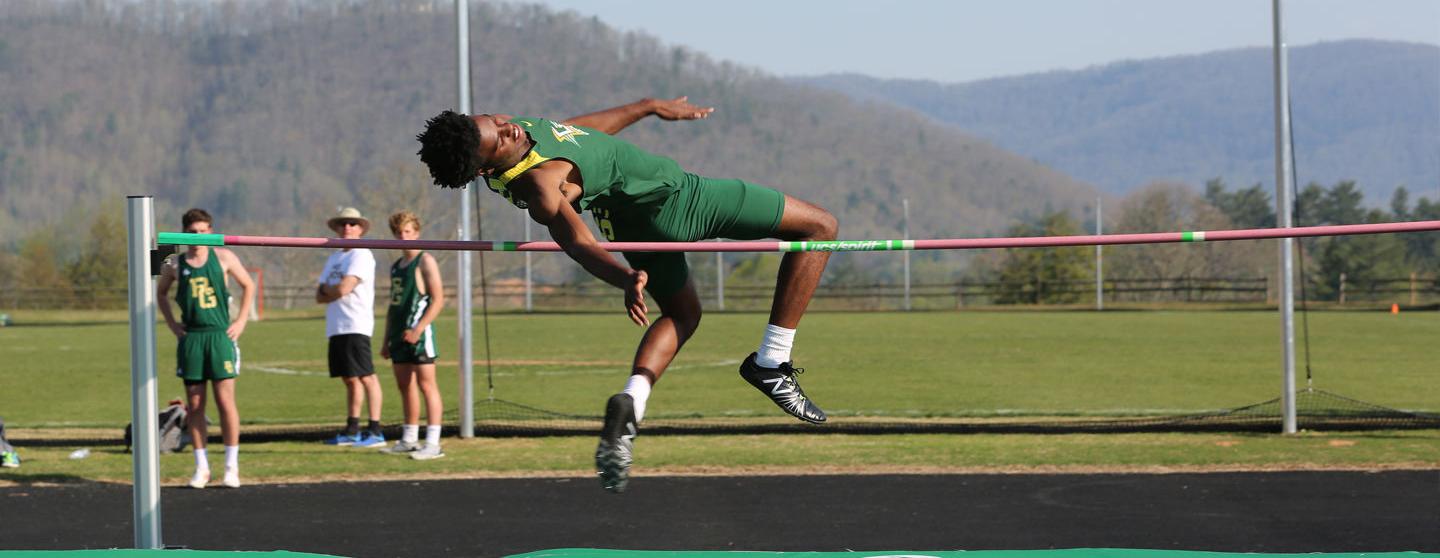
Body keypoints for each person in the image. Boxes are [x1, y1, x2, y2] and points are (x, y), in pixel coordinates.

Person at [416, 96, 839, 492]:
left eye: (496, 120)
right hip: (683, 200)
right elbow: (577, 241)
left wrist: (647, 107)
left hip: (632, 225)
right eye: (501, 136)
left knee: (682, 314)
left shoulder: (519, 136)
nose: (508, 126)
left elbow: (577, 133)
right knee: (820, 227)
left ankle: (631, 401)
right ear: (484, 168)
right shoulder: (543, 186)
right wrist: (622, 279)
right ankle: (772, 361)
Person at [156, 208, 256, 489]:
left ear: (211, 232)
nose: (198, 236)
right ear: (183, 234)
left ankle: (231, 466)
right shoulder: (174, 262)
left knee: (226, 402)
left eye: (203, 231)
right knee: (196, 405)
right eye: (192, 232)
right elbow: (160, 293)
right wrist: (173, 325)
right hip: (192, 339)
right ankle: (201, 467)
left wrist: (241, 321)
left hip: (219, 336)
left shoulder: (224, 257)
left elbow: (248, 285)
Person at [379, 211, 446, 460]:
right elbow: (393, 305)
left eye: (408, 232)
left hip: (419, 334)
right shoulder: (396, 266)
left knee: (427, 385)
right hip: (398, 334)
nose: (403, 237)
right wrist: (386, 339)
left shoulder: (425, 260)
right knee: (404, 386)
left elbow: (438, 300)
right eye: (398, 233)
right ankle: (409, 438)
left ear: (416, 233)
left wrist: (418, 329)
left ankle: (433, 443)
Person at [316, 207, 385, 449]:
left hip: (355, 323)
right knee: (349, 379)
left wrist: (331, 292)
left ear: (361, 228)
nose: (347, 227)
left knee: (366, 376)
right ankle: (352, 428)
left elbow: (343, 289)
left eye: (353, 224)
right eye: (343, 223)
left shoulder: (361, 255)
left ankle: (375, 429)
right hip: (336, 325)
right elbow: (319, 294)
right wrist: (331, 292)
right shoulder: (334, 257)